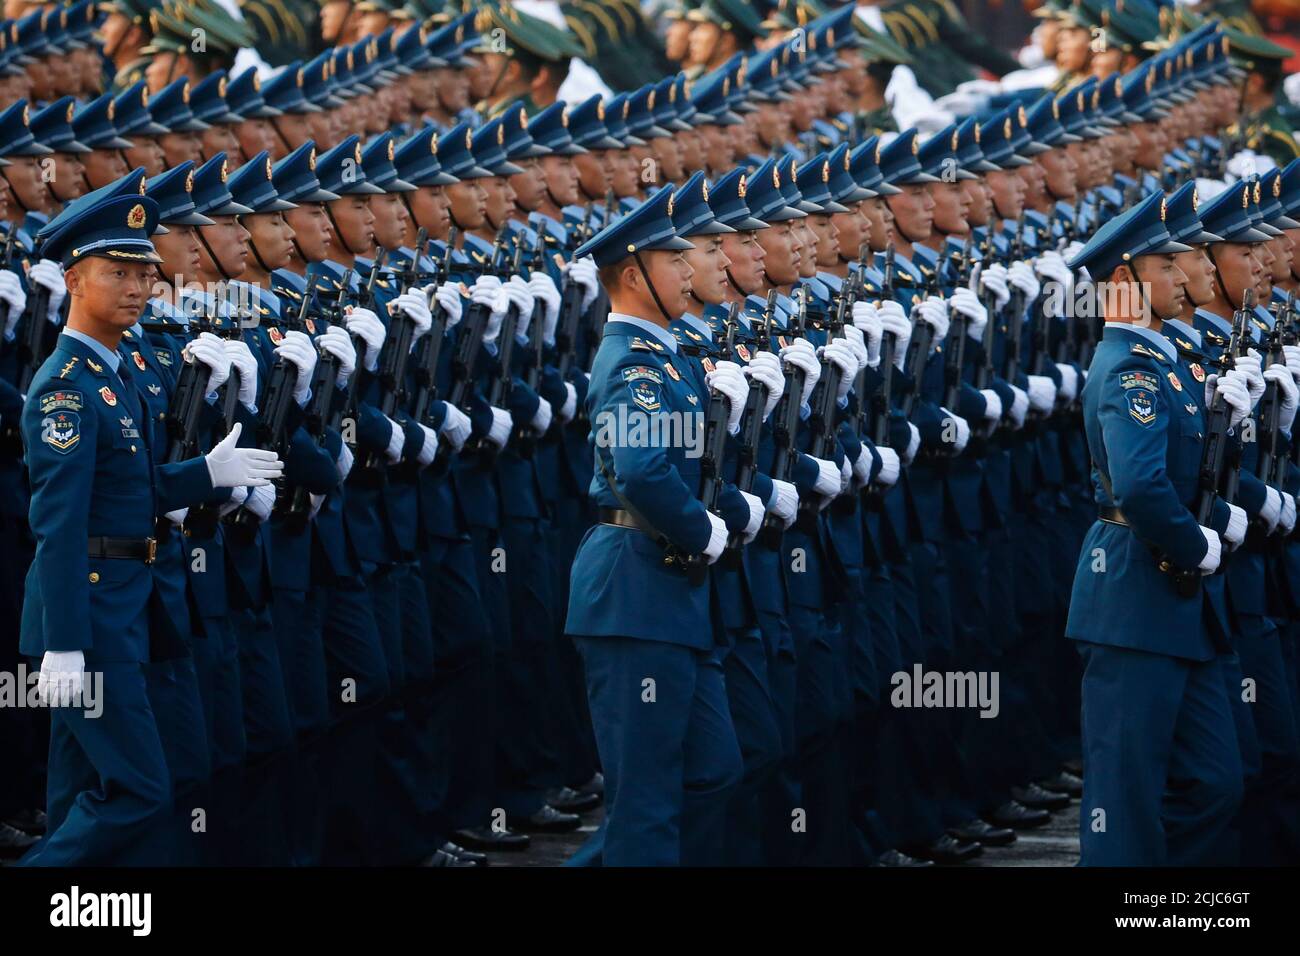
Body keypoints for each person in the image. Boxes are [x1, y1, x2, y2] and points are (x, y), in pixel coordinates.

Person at [18, 190, 283, 865]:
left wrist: (205, 473)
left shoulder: (114, 373)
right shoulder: (66, 387)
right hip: (91, 615)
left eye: (143, 273)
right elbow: (59, 524)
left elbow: (131, 488)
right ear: (74, 281)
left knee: (78, 789)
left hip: (121, 603)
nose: (137, 288)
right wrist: (65, 643)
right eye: (118, 273)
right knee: (139, 791)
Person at [1065, 189, 1248, 866]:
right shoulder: (1129, 370)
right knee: (1125, 799)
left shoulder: (1168, 361)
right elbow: (1140, 486)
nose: (1183, 275)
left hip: (1178, 597)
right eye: (1165, 265)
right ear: (1125, 279)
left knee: (1216, 780)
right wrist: (1195, 541)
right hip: (1136, 593)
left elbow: (1188, 471)